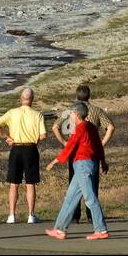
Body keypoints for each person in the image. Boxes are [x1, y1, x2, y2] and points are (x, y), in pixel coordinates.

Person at [44, 101, 109, 240]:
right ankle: (60, 229)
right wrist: (103, 161)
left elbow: (70, 146)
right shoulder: (91, 126)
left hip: (83, 165)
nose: (71, 116)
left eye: (72, 113)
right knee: (70, 198)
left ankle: (101, 230)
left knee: (90, 198)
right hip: (88, 164)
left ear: (77, 114)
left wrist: (55, 161)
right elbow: (98, 146)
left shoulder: (80, 128)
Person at [52, 84, 114, 227]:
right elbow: (110, 127)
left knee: (74, 184)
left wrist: (64, 142)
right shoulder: (97, 111)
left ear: (76, 96)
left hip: (75, 152)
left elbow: (55, 126)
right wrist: (101, 143)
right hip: (91, 152)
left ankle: (74, 215)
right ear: (89, 96)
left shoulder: (70, 111)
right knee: (91, 185)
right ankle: (91, 216)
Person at [0, 86, 47, 225]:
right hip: (30, 149)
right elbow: (43, 135)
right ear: (32, 100)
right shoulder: (37, 114)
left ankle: (11, 215)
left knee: (14, 183)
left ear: (21, 99)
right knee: (30, 183)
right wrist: (36, 140)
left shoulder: (12, 112)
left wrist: (6, 137)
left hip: (16, 149)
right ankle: (30, 214)